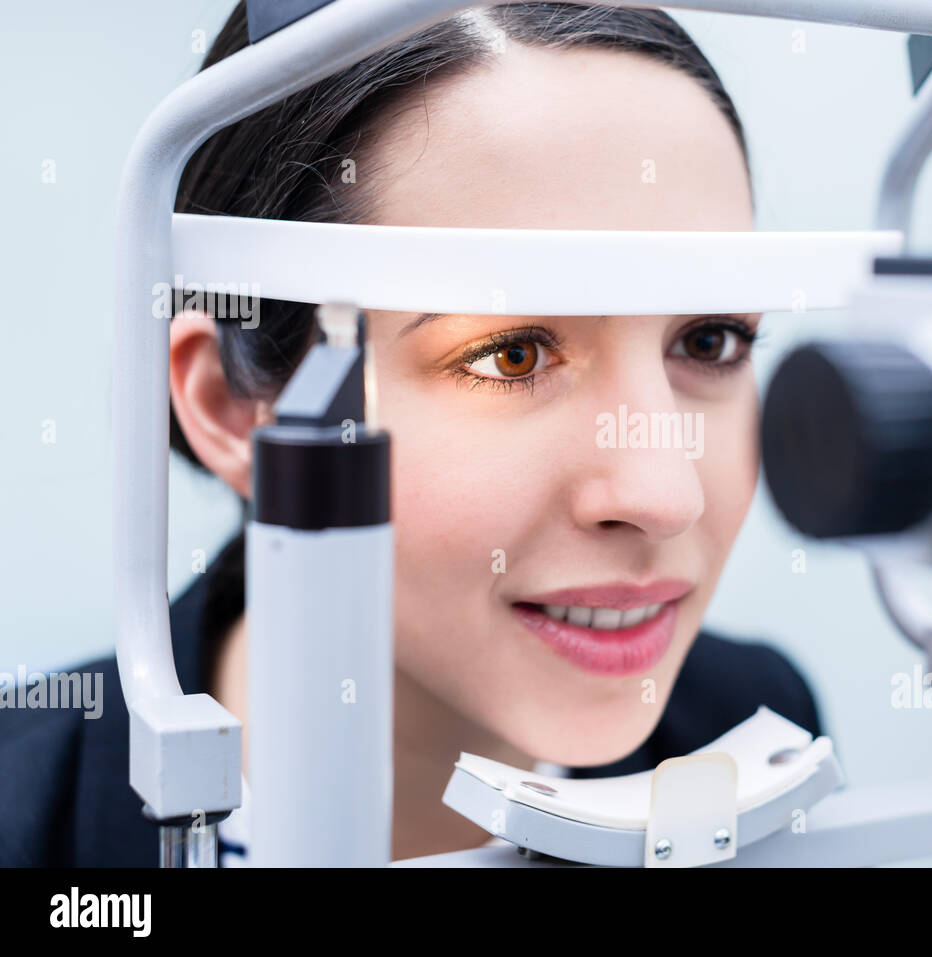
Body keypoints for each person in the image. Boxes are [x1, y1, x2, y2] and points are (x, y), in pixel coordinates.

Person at [0, 0, 823, 867]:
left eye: (710, 340)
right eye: (511, 355)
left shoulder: (750, 739)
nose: (664, 495)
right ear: (231, 407)